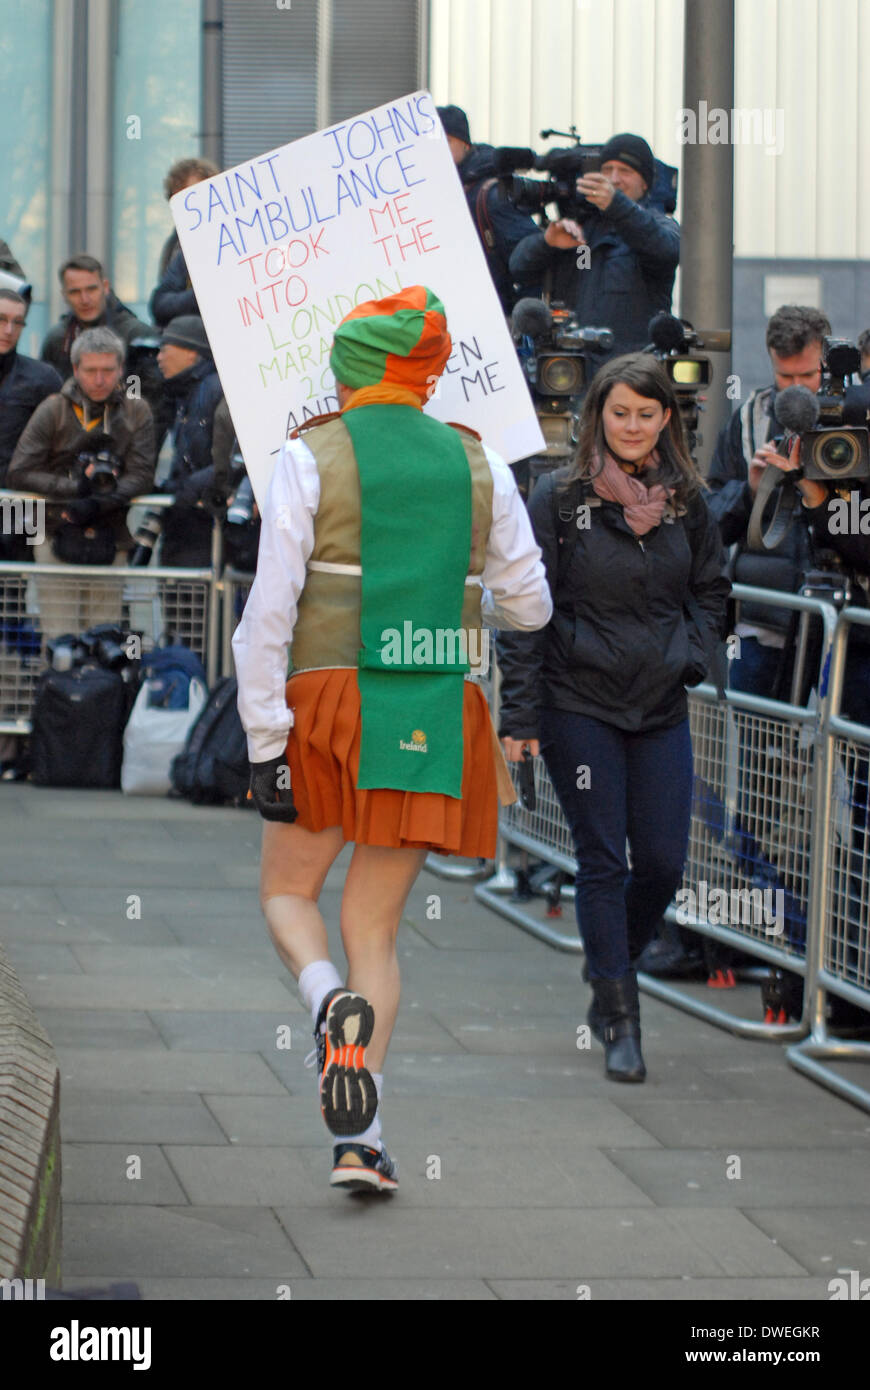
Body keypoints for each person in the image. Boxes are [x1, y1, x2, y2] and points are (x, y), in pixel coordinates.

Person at [232, 285, 552, 1193]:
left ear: (354, 367)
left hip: (327, 701)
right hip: (431, 706)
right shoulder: (477, 459)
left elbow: (267, 616)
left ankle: (325, 1002)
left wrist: (265, 742)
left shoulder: (309, 455)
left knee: (288, 897)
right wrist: (445, 594)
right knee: (375, 925)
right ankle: (361, 1139)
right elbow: (530, 605)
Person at [497, 353, 729, 1083]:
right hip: (579, 703)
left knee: (662, 863)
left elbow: (713, 592)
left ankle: (607, 971)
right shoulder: (558, 500)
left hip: (660, 704)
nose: (632, 426)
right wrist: (521, 714)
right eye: (620, 412)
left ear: (667, 419)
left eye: (647, 413)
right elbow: (526, 616)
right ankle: (621, 1019)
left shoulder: (689, 501)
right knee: (603, 860)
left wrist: (689, 656)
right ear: (599, 413)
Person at [8, 327, 154, 642]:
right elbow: (19, 471)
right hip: (54, 533)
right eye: (91, 370)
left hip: (111, 537)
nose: (99, 379)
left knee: (104, 638)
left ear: (121, 370)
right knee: (60, 640)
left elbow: (143, 475)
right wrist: (74, 488)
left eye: (108, 370)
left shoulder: (136, 410)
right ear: (75, 369)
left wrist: (102, 499)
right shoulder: (54, 408)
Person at [508, 133, 679, 362]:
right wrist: (547, 243)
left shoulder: (659, 224)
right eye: (607, 170)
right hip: (573, 371)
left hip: (632, 371)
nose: (614, 179)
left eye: (625, 171)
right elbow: (519, 267)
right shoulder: (580, 229)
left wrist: (616, 205)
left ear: (645, 183)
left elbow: (665, 251)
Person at [436, 105, 541, 315]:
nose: (436, 148)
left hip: (493, 319)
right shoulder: (438, 189)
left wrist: (524, 324)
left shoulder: (491, 194)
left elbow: (529, 262)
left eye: (444, 141)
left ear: (465, 144)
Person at [154, 315, 226, 567]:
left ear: (190, 352)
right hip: (187, 528)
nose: (158, 358)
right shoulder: (182, 393)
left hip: (204, 530)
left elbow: (234, 457)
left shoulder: (216, 389)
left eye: (164, 349)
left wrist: (191, 487)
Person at [41, 255, 154, 382]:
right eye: (75, 292)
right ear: (64, 295)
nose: (85, 299)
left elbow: (150, 393)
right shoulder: (57, 340)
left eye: (91, 289)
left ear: (105, 287)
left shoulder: (136, 335)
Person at [0, 289, 62, 488]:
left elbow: (63, 443)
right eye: (1, 319)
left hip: (21, 501)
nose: (9, 330)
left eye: (18, 322)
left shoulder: (43, 377)